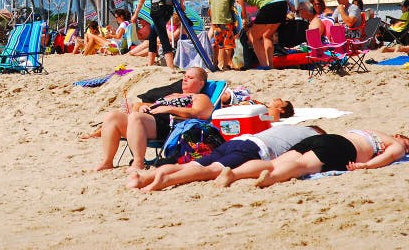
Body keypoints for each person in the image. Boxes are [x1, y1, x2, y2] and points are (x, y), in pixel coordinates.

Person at [127, 124, 322, 191]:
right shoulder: (312, 138)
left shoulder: (288, 127)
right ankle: (166, 180)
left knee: (194, 164)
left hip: (237, 141)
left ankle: (144, 178)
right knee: (211, 171)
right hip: (252, 150)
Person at [94, 67, 214, 171]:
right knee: (113, 116)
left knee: (136, 118)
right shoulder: (172, 95)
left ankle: (138, 162)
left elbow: (200, 113)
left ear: (201, 83)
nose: (185, 79)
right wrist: (143, 107)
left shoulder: (200, 97)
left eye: (190, 77)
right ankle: (107, 162)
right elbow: (149, 106)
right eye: (185, 76)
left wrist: (169, 109)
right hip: (147, 120)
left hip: (169, 126)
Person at [218, 130, 409, 188]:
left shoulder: (372, 132)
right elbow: (389, 157)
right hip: (343, 148)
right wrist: (365, 165)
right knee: (301, 166)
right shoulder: (398, 146)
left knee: (273, 162)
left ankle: (233, 173)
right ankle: (271, 179)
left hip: (326, 137)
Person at [233, 0, 292, 69]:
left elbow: (241, 13)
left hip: (268, 6)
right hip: (282, 5)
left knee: (252, 36)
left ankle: (265, 66)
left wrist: (245, 22)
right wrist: (289, 4)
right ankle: (270, 65)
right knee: (267, 35)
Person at [209, 0, 238, 71]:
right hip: (226, 22)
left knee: (217, 45)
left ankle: (215, 64)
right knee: (228, 45)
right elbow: (237, 1)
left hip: (215, 23)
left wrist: (212, 23)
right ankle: (225, 66)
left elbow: (211, 7)